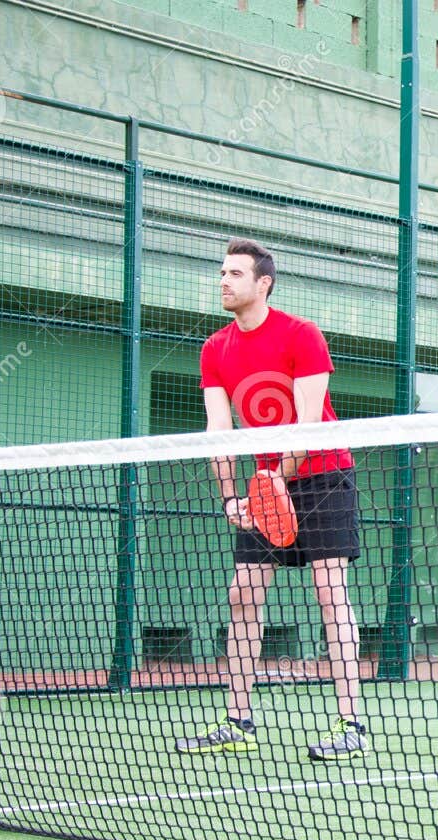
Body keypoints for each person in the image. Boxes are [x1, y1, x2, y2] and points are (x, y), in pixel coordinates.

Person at [175, 238, 367, 761]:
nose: (224, 281)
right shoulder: (214, 349)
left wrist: (278, 476)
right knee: (243, 593)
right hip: (263, 487)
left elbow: (308, 424)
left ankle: (351, 723)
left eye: (235, 273)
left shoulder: (301, 334)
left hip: (323, 477)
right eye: (222, 272)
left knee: (330, 593)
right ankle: (238, 720)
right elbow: (219, 430)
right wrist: (232, 497)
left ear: (263, 284)